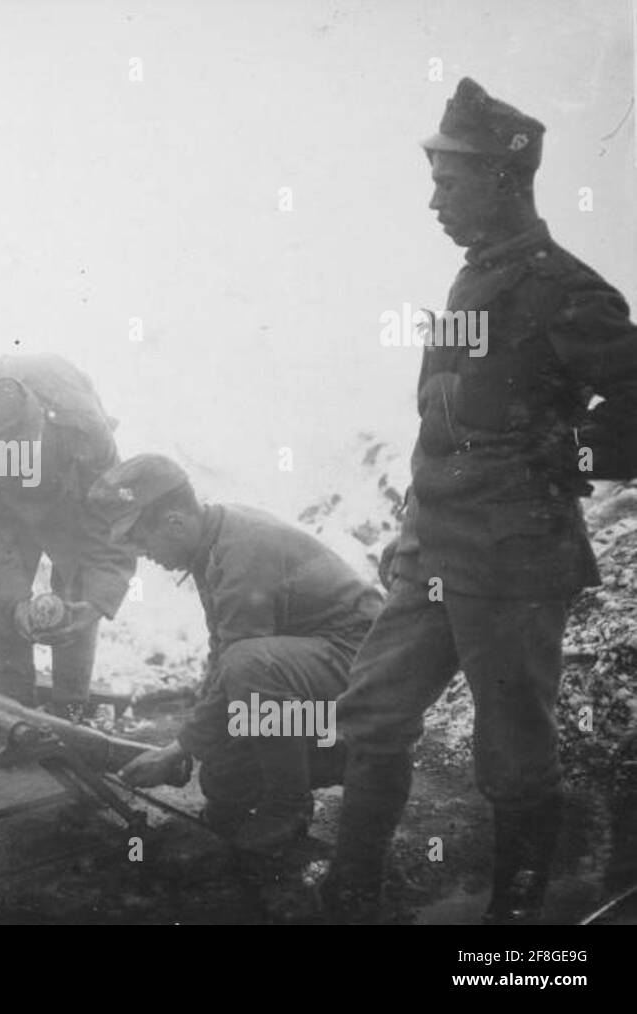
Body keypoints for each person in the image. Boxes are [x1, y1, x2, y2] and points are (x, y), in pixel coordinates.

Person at [324, 78, 637, 923]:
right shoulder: (471, 286)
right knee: (374, 713)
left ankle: (513, 939)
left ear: (504, 181)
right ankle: (351, 900)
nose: (433, 202)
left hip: (513, 562)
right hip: (435, 551)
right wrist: (409, 530)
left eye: (450, 182)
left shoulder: (563, 290)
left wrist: (567, 450)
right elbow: (444, 427)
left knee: (513, 761)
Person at [90, 454, 382, 854]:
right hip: (311, 671)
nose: (143, 554)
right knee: (224, 779)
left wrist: (180, 746)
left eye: (141, 539)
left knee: (248, 666)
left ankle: (292, 803)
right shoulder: (212, 539)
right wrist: (194, 743)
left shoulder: (244, 550)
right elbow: (222, 650)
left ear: (174, 522)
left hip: (362, 666)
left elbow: (240, 662)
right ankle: (341, 754)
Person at [0, 354, 136, 720]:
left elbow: (112, 522)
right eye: (8, 458)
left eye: (25, 452)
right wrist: (16, 602)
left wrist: (97, 602)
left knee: (78, 590)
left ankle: (71, 713)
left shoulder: (84, 427)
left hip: (68, 486)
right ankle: (17, 712)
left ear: (42, 423)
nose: (21, 467)